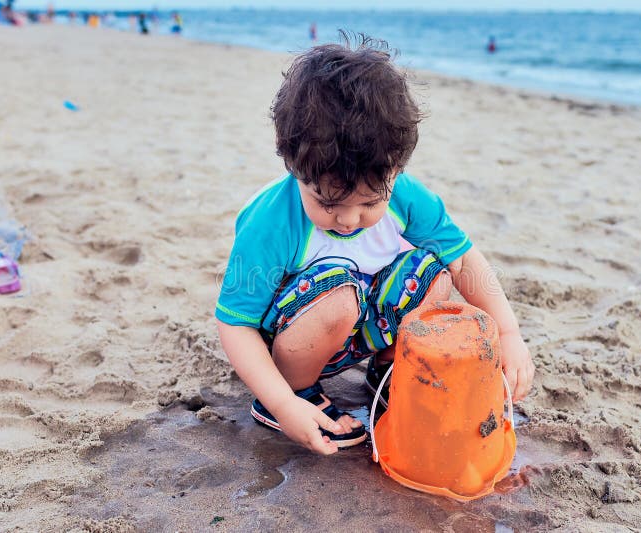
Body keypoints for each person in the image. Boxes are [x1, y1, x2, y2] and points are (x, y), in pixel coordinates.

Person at [215, 34, 534, 455]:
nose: (348, 220)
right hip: (291, 345)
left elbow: (464, 261)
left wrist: (508, 333)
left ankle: (389, 370)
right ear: (294, 167)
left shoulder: (407, 196)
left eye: (369, 202)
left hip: (362, 328)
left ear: (396, 171)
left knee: (433, 272)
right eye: (327, 201)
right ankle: (301, 393)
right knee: (338, 292)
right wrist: (282, 400)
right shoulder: (271, 221)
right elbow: (235, 323)